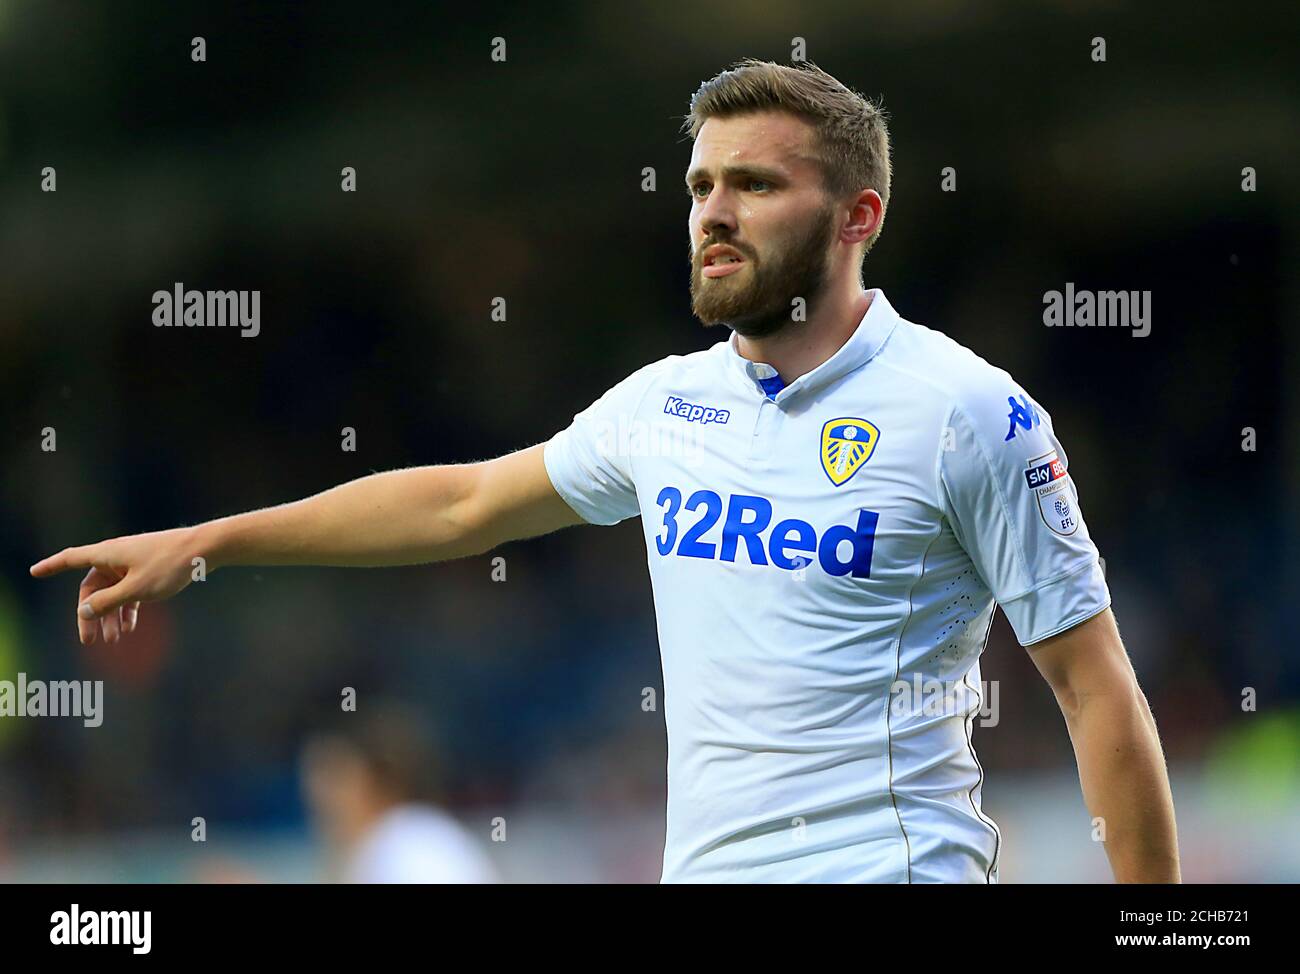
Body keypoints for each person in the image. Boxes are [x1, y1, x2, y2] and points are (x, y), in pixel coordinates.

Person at [30, 59, 1179, 884]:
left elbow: (1094, 688)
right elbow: (463, 499)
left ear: (856, 216)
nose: (711, 214)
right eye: (698, 187)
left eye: (754, 186)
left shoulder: (967, 412)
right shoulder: (665, 403)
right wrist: (212, 539)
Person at [301, 704, 497, 884]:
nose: (316, 793)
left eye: (334, 774)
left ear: (379, 778)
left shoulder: (412, 848)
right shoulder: (384, 847)